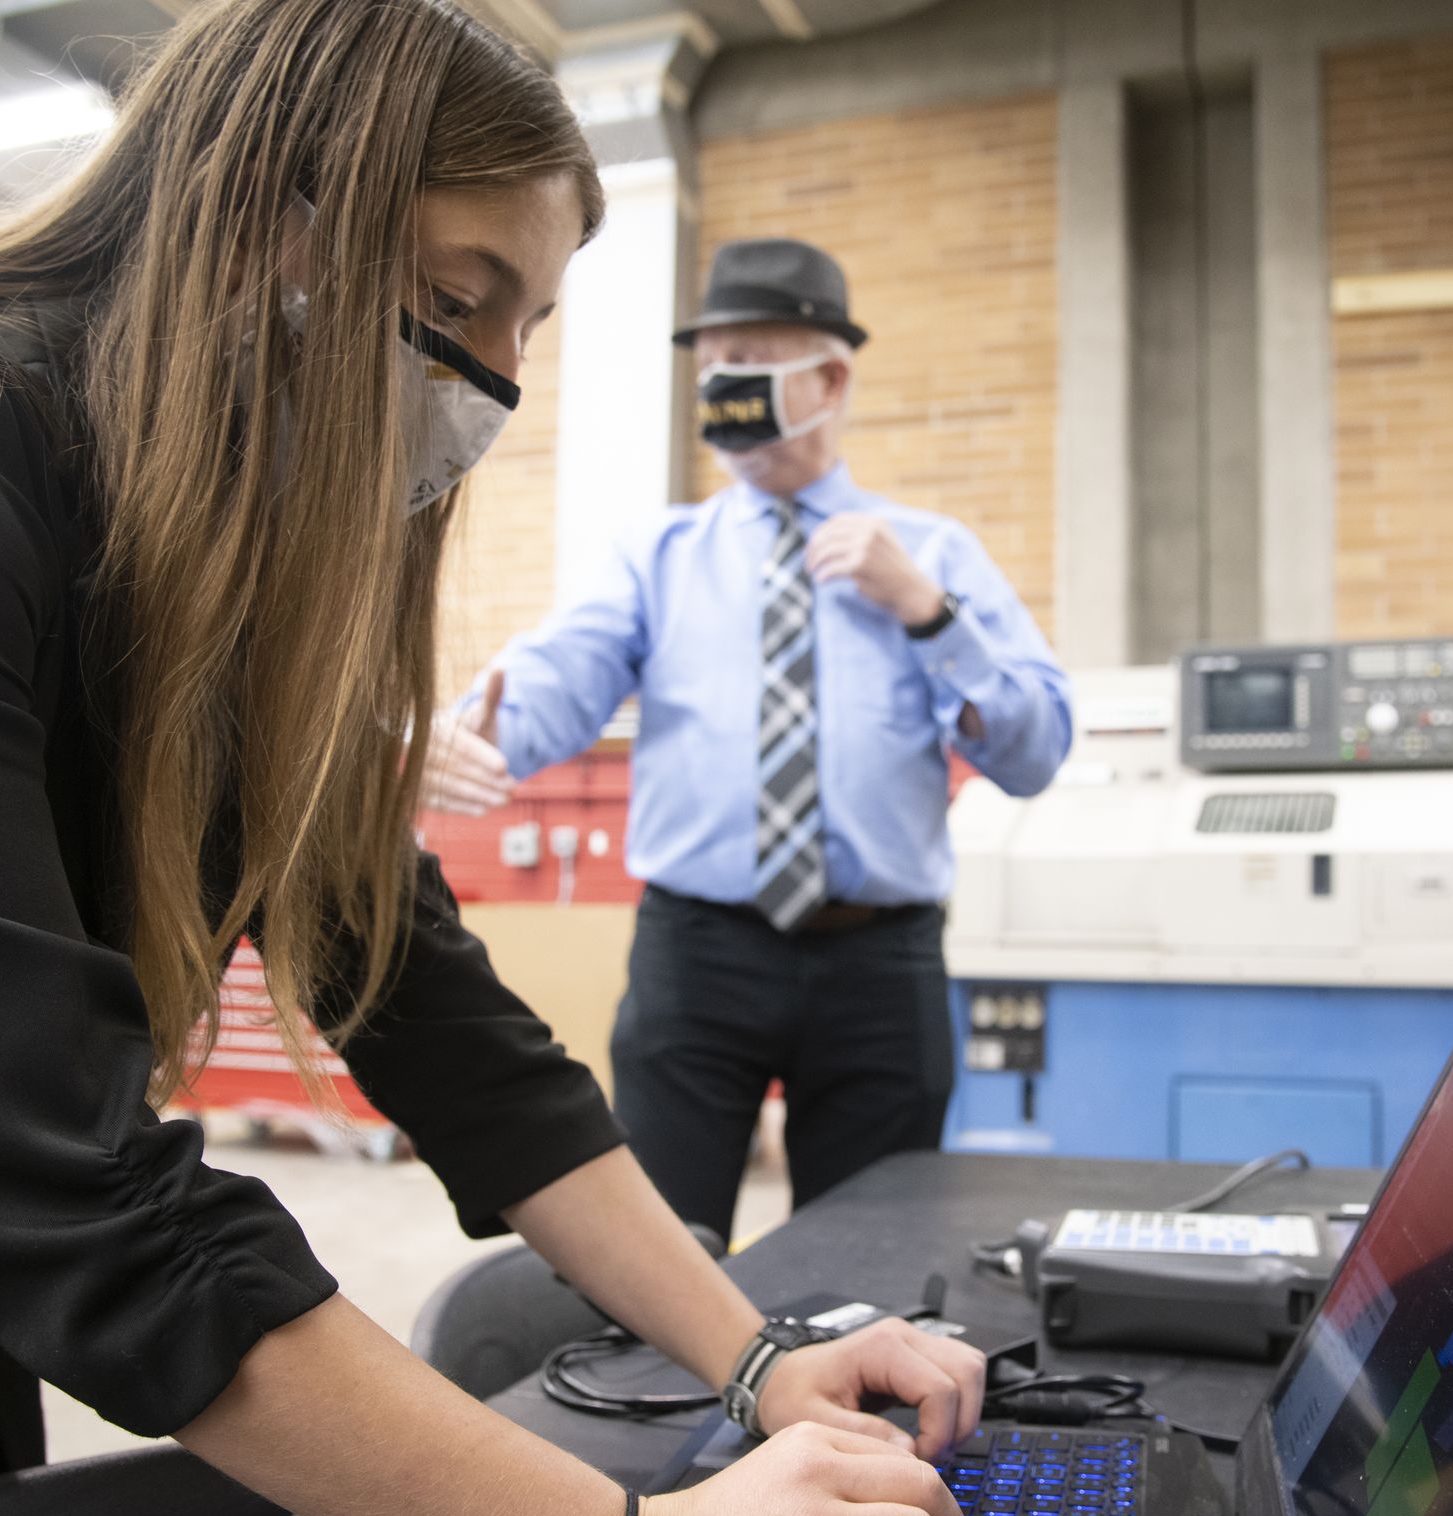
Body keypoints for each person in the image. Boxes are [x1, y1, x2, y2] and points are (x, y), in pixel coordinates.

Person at [0, 5, 988, 1516]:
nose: (493, 382)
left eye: (525, 327)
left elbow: (440, 1020)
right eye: (457, 301)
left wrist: (756, 1355)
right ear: (244, 212)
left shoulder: (187, 571)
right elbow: (74, 1190)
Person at [430, 237, 1072, 1243]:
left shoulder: (935, 555)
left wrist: (926, 611)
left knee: (871, 1258)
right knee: (658, 1256)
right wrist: (474, 728)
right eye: (711, 362)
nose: (722, 383)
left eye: (750, 358)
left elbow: (1032, 752)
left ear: (829, 377)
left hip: (879, 964)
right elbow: (561, 675)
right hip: (698, 955)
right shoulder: (659, 555)